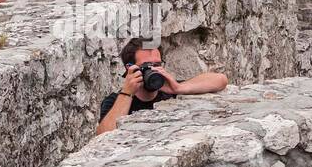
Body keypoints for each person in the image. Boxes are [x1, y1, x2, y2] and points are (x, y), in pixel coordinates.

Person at [96, 37, 229, 135]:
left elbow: (220, 80)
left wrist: (178, 88)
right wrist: (127, 93)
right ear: (130, 68)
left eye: (157, 65)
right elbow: (103, 135)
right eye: (147, 66)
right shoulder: (116, 100)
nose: (153, 70)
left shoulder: (169, 89)